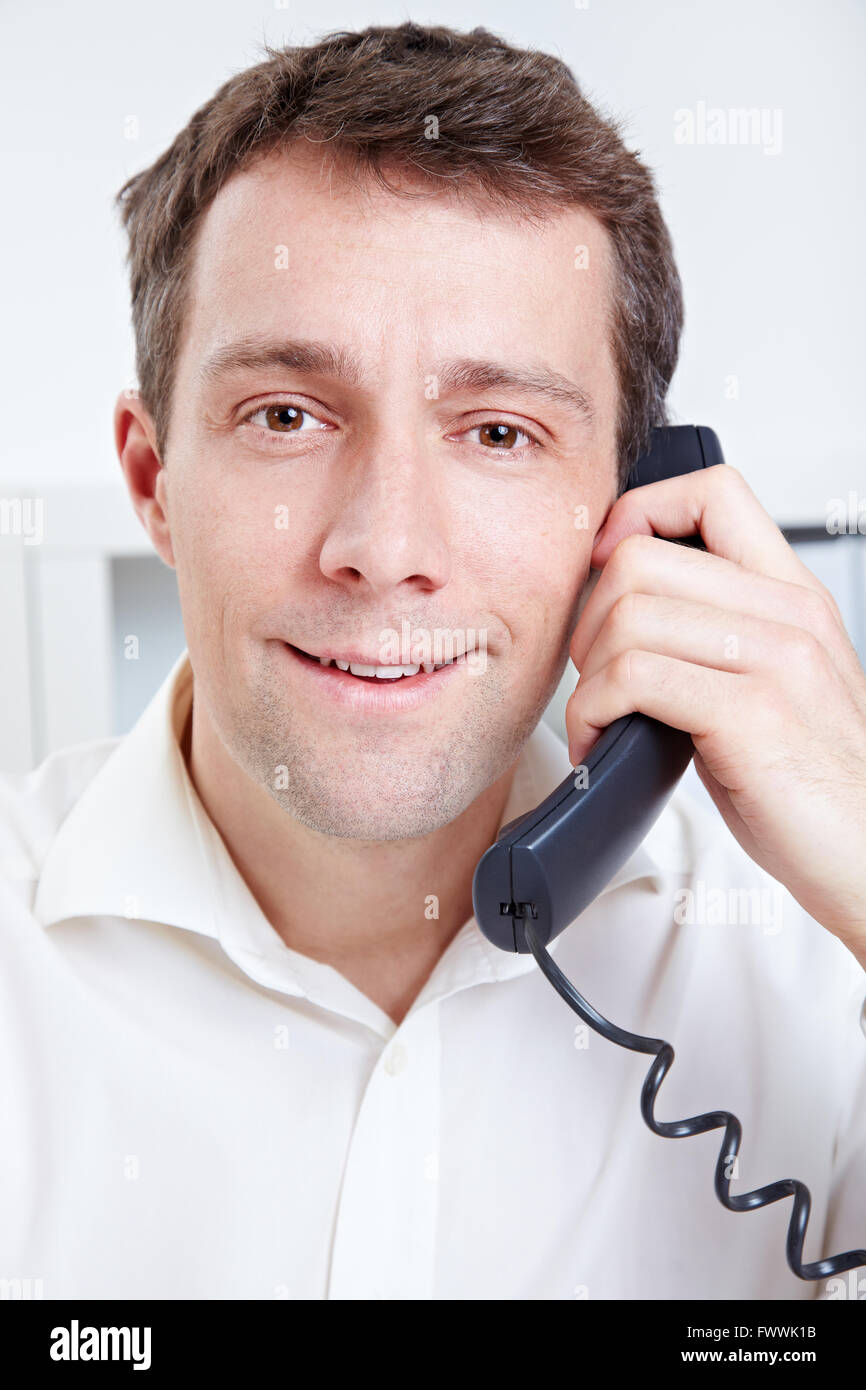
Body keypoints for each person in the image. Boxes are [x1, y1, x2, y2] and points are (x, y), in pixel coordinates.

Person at [1, 21, 864, 1301]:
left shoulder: (812, 959)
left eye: (499, 431)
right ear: (154, 482)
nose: (384, 546)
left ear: (636, 513)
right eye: (285, 415)